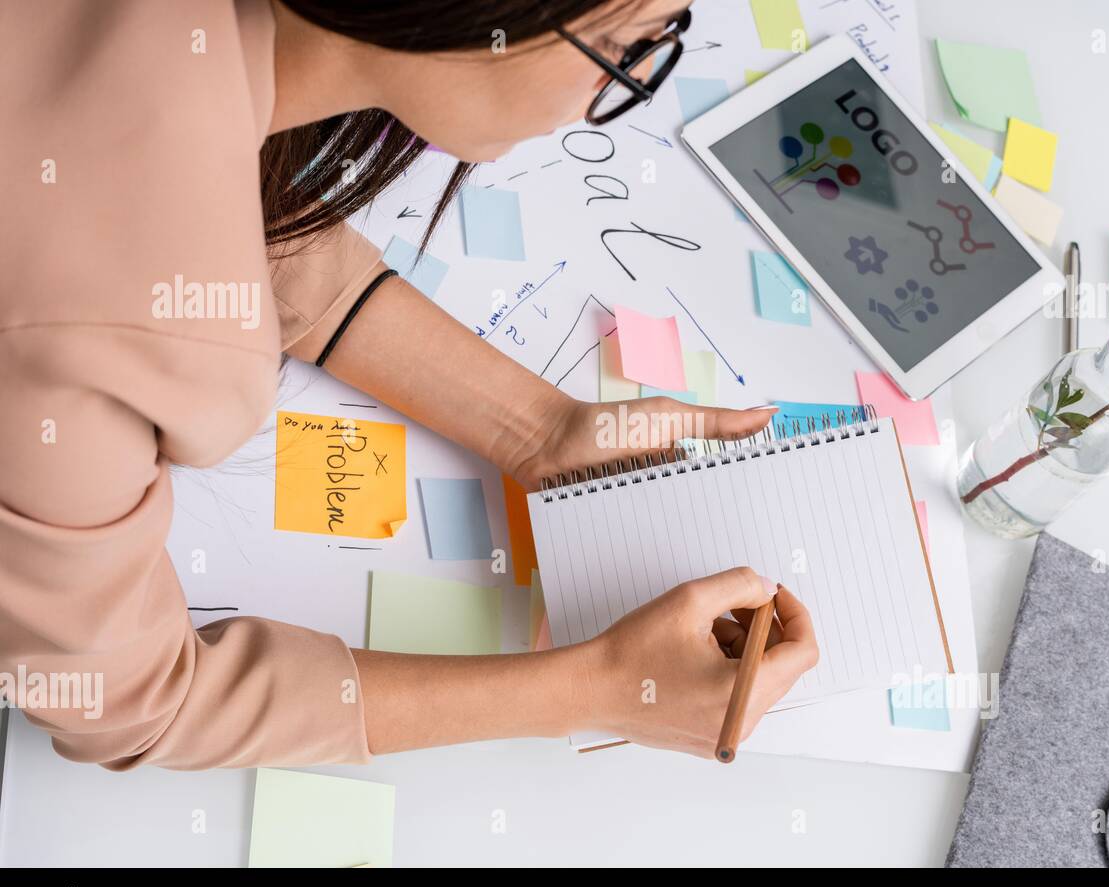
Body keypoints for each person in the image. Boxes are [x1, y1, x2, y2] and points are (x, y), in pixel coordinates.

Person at [0, 0, 818, 770]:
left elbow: (228, 207)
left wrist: (537, 429)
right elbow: (126, 701)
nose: (613, 92)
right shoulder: (105, 315)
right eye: (619, 51)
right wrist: (598, 687)